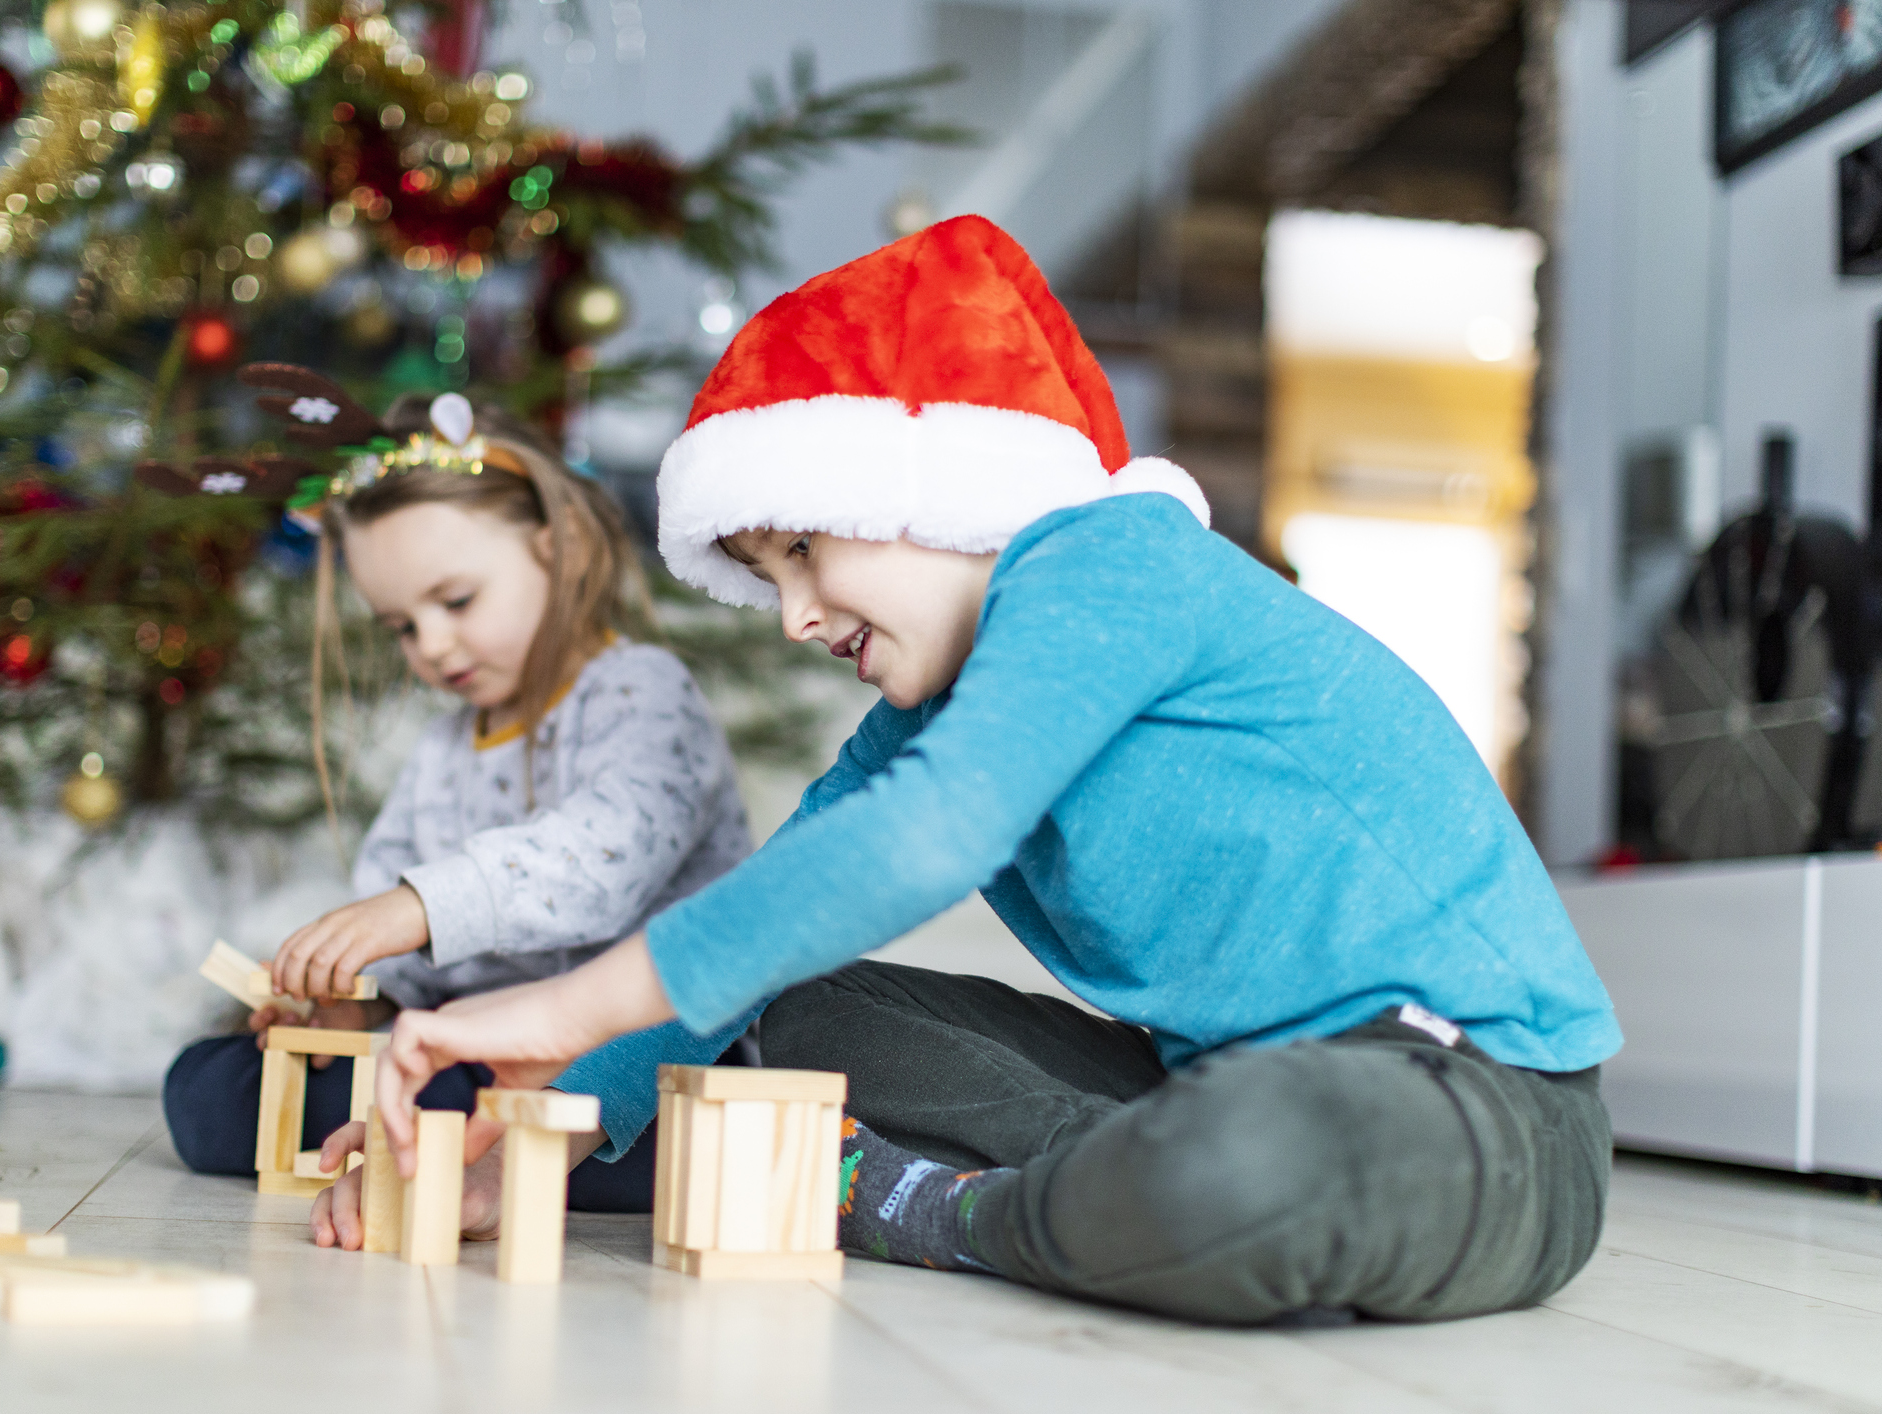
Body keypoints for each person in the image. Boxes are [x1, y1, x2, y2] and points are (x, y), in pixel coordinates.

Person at [352, 214, 1622, 1325]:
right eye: (766, 576)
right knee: (781, 999)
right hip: (1207, 1083)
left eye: (802, 548)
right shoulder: (934, 698)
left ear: (939, 489)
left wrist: (559, 1004)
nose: (792, 614)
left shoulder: (1114, 557)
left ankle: (965, 1212)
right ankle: (1114, 1196)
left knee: (1238, 1165)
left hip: (1479, 1107)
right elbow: (772, 916)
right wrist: (531, 1150)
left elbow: (931, 835)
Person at [159, 383, 753, 1231]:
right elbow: (397, 953)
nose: (432, 646)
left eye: (457, 602)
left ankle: (488, 1152)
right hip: (475, 1057)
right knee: (207, 1091)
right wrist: (353, 1004)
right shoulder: (444, 747)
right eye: (402, 625)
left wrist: (417, 907)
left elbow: (601, 864)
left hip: (639, 1062)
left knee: (656, 1108)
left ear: (556, 549)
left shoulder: (643, 690)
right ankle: (448, 1142)